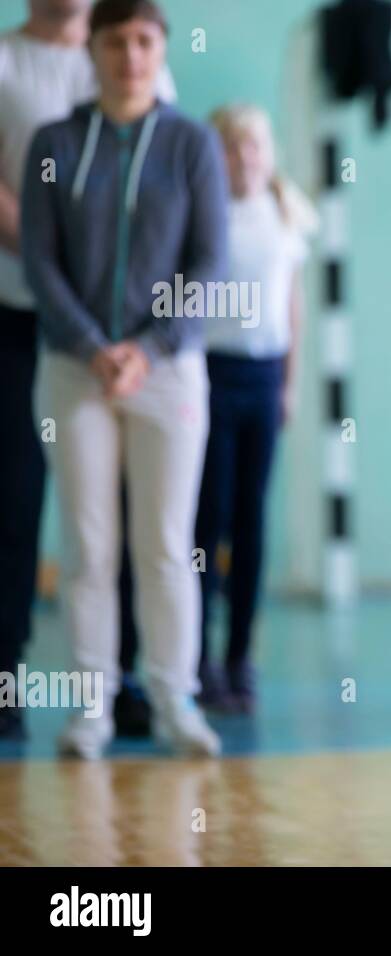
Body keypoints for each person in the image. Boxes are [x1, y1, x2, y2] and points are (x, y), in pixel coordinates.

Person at [21, 0, 226, 757]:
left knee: (167, 545)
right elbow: (38, 260)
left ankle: (176, 700)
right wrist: (92, 345)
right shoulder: (53, 142)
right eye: (115, 42)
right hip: (74, 370)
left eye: (144, 41)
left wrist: (146, 346)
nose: (130, 56)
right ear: (94, 51)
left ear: (160, 48)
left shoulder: (191, 143)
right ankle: (91, 708)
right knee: (87, 545)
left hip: (168, 370)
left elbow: (208, 261)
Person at [0, 0, 174, 742]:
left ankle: (125, 677)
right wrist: (57, 269)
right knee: (13, 500)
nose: (128, 55)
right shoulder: (6, 61)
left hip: (122, 334)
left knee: (133, 512)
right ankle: (7, 675)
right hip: (19, 309)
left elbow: (164, 189)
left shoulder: (138, 60)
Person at [195, 104, 315, 714]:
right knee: (206, 519)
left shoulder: (285, 210)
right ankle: (198, 659)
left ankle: (241, 657)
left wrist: (290, 384)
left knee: (251, 520)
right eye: (231, 148)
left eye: (254, 148)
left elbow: (291, 305)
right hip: (211, 375)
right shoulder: (203, 210)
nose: (244, 159)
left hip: (264, 378)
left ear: (268, 154)